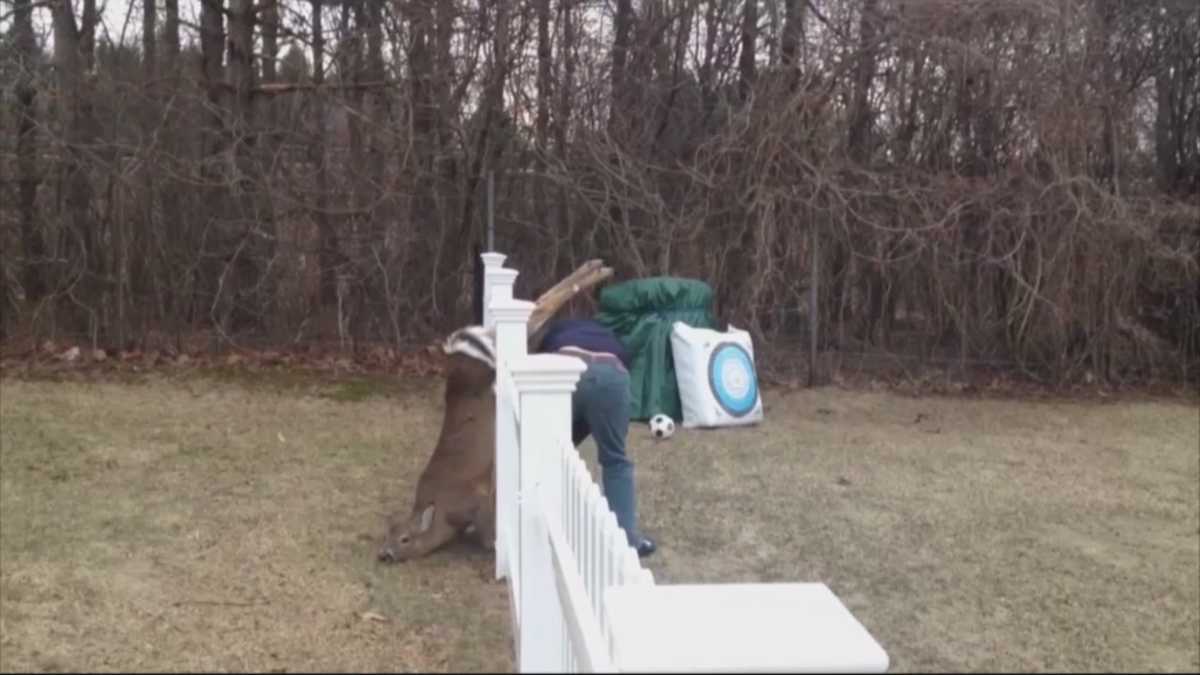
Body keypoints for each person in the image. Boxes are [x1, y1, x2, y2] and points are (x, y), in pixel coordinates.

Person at [536, 317, 657, 558]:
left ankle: (541, 527)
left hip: (566, 368)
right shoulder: (611, 339)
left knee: (545, 450)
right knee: (615, 460)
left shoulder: (555, 333)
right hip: (612, 374)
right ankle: (627, 540)